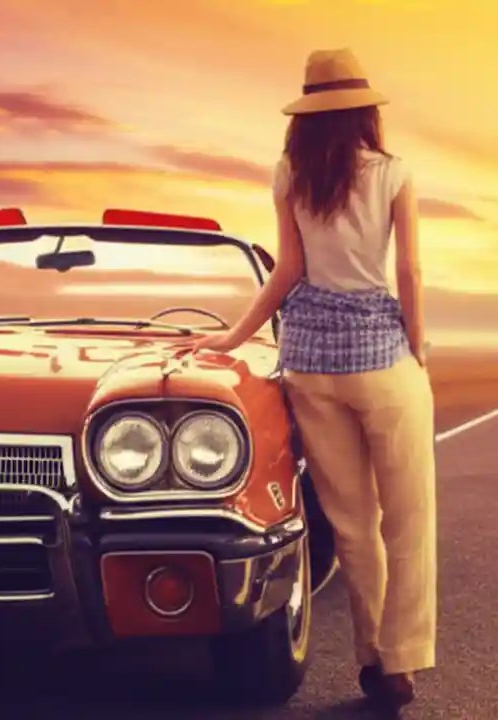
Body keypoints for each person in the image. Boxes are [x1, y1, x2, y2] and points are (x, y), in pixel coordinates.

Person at [178, 48, 436, 709]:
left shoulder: (290, 172)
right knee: (408, 517)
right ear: (364, 111)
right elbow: (407, 273)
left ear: (307, 115)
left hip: (312, 365)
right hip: (383, 361)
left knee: (353, 524)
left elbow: (287, 270)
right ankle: (401, 662)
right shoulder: (394, 173)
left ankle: (373, 658)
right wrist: (417, 345)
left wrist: (234, 335)